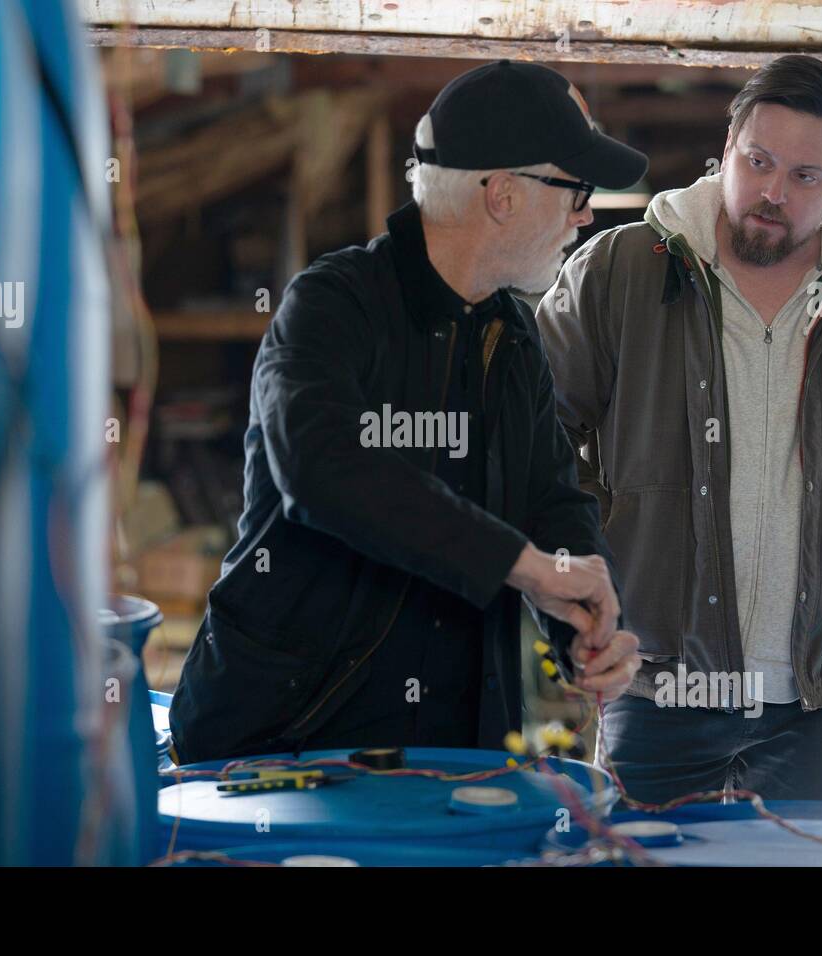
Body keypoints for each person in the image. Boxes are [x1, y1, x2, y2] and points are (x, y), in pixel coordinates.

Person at [536, 54, 822, 802]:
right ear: (727, 148)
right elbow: (535, 432)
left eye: (806, 176)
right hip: (658, 682)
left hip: (817, 694)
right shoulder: (621, 271)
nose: (773, 193)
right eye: (758, 162)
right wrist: (594, 556)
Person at [170, 60, 648, 763]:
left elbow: (551, 498)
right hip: (285, 741)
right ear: (504, 195)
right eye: (575, 189)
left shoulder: (512, 338)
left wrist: (584, 615)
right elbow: (323, 467)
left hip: (450, 752)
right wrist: (525, 566)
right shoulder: (333, 305)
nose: (585, 213)